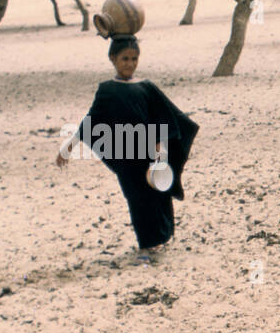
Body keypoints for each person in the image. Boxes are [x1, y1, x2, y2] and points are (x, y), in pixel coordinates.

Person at [55, 33, 198, 264]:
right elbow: (91, 121)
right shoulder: (107, 90)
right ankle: (146, 245)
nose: (130, 64)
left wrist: (160, 153)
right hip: (125, 158)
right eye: (125, 59)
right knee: (137, 200)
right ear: (112, 58)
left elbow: (161, 121)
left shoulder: (146, 87)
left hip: (150, 155)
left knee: (157, 197)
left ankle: (158, 238)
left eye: (134, 59)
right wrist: (68, 147)